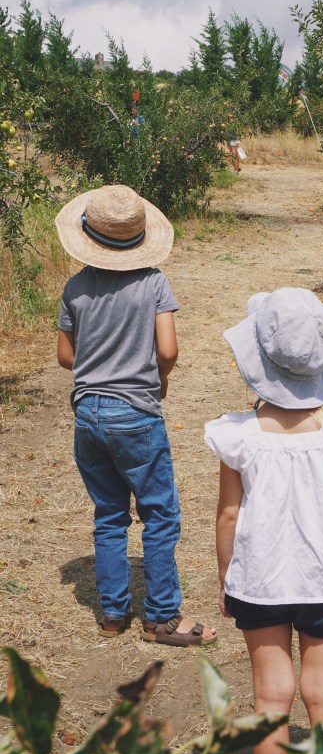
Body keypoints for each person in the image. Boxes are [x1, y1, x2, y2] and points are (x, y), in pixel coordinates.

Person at [205, 288, 323, 754]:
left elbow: (228, 514)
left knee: (269, 697)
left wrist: (227, 576)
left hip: (259, 580)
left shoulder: (238, 436)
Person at [55, 184, 216, 646]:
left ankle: (112, 614)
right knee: (159, 515)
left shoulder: (75, 287)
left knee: (109, 514)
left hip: (88, 413)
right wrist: (157, 377)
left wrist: (97, 361)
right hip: (136, 414)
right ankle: (162, 616)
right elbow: (168, 348)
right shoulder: (153, 283)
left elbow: (66, 357)